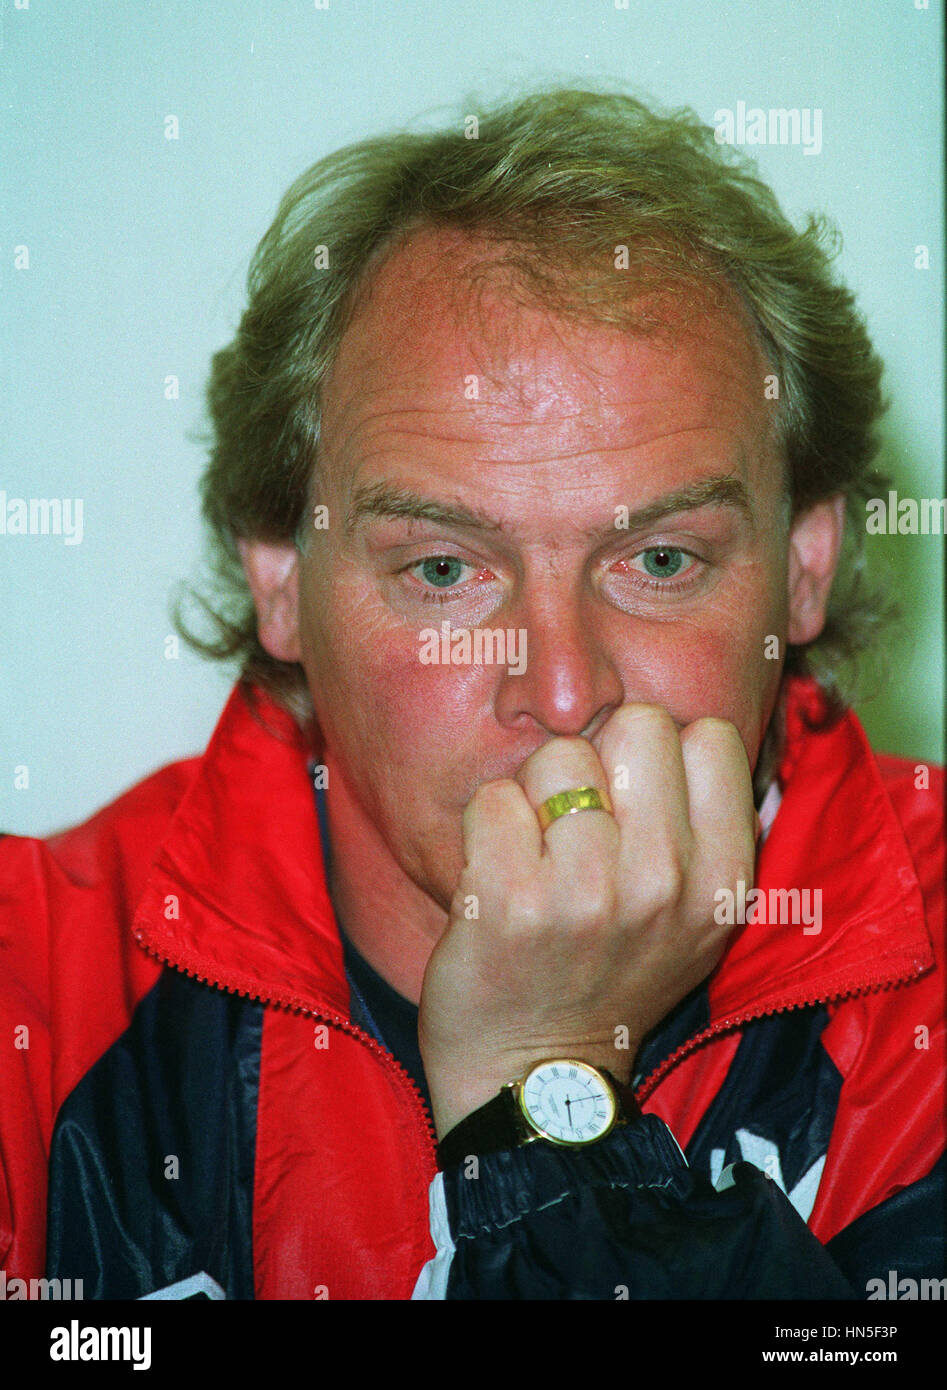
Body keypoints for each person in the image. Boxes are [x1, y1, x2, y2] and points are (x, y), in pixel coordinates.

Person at [1, 88, 943, 1301]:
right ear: (280, 578)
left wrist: (539, 1096)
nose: (559, 691)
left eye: (658, 561)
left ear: (804, 562)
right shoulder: (32, 985)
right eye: (443, 570)